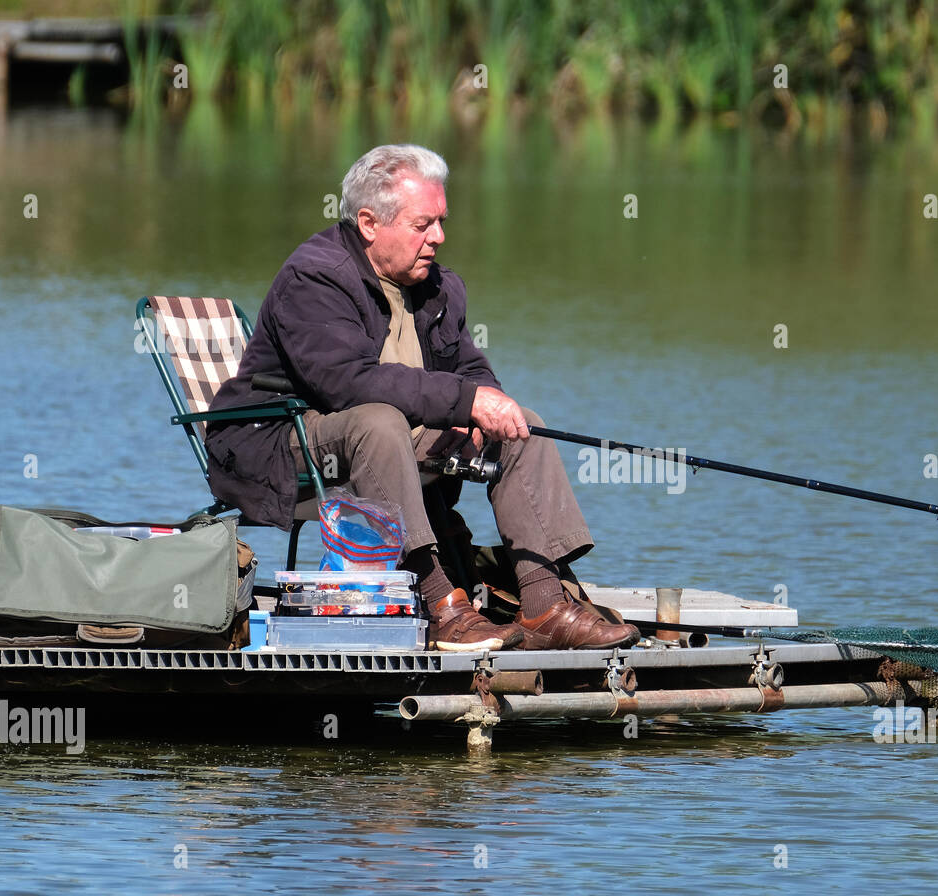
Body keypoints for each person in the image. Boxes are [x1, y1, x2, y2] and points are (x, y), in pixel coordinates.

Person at [203, 144, 639, 653]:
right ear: (369, 223)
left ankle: (546, 604)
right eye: (423, 224)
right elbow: (349, 383)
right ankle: (442, 609)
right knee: (378, 421)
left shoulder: (434, 285)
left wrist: (483, 405)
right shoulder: (315, 277)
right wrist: (463, 401)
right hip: (284, 443)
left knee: (521, 424)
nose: (439, 237)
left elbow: (470, 370)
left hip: (384, 441)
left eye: (441, 221)